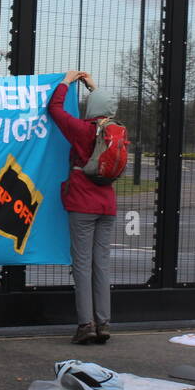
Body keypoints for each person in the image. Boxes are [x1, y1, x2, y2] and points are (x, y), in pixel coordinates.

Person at [48, 70, 117, 344]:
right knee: (101, 265)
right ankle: (104, 323)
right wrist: (94, 88)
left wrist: (65, 82)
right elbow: (105, 109)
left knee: (82, 264)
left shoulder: (82, 130)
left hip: (82, 204)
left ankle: (85, 324)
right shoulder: (115, 131)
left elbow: (54, 109)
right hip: (107, 204)